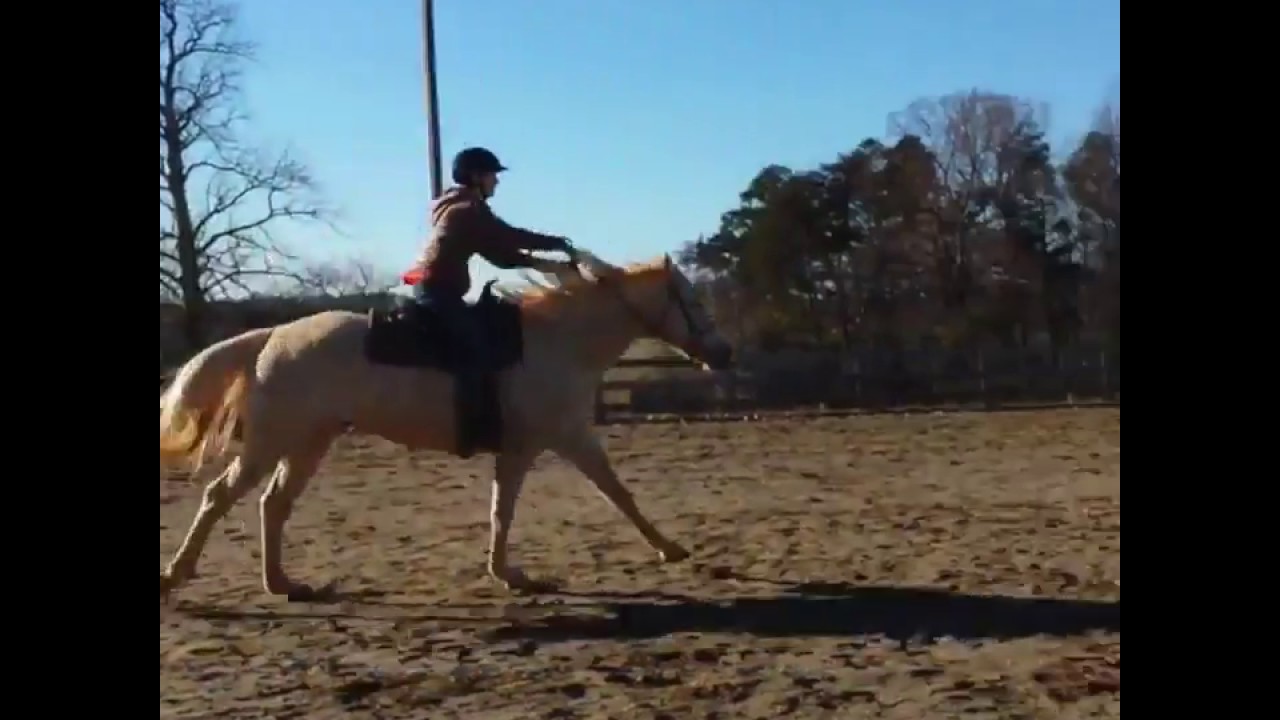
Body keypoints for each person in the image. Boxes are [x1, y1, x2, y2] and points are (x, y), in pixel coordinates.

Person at [401, 147, 574, 448]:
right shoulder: (468, 210)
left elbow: (500, 256)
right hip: (438, 293)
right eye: (493, 175)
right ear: (476, 176)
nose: (497, 181)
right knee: (476, 345)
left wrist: (545, 259)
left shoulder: (459, 207)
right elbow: (508, 238)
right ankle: (474, 426)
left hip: (436, 291)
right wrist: (556, 245)